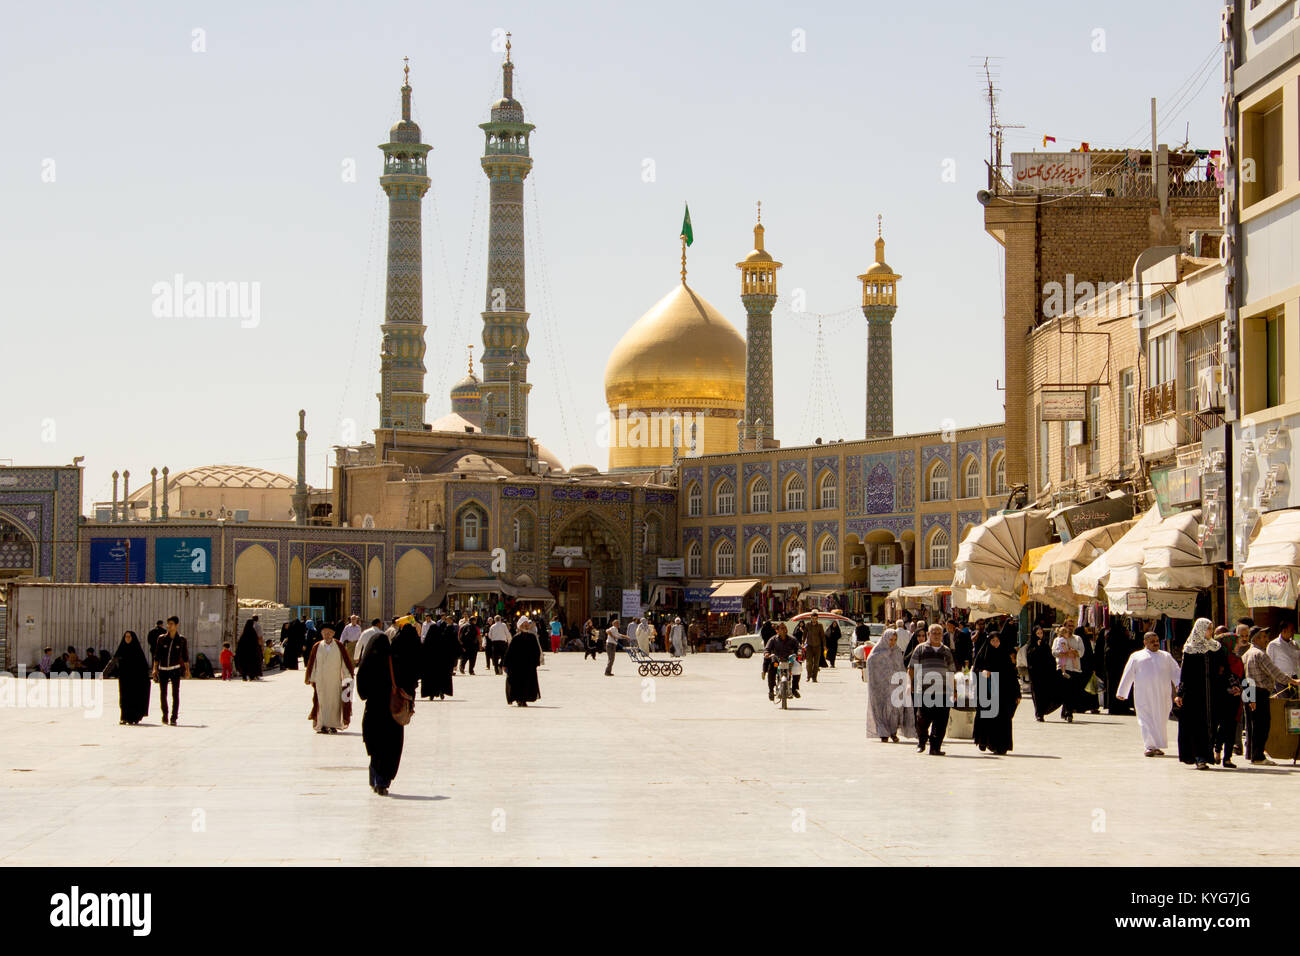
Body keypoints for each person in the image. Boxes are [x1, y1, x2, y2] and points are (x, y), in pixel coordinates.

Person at [356, 623, 416, 795]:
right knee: (389, 748)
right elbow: (408, 683)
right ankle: (383, 781)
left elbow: (362, 689)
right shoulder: (395, 660)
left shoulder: (369, 663)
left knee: (375, 747)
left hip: (373, 711)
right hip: (391, 712)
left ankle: (375, 778)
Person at [1115, 630, 1181, 757]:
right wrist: (1122, 691)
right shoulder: (1136, 656)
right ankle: (1149, 746)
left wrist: (1179, 687)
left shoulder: (1166, 656)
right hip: (1143, 695)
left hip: (1162, 695)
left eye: (1157, 641)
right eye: (1152, 642)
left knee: (1160, 720)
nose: (1155, 644)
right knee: (1145, 719)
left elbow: (1176, 672)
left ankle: (1156, 746)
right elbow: (1128, 673)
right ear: (1145, 642)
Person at [1242, 624, 1300, 765]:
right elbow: (1276, 673)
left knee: (1252, 724)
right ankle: (1258, 756)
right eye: (1263, 637)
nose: (1266, 639)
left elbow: (1245, 678)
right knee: (1262, 724)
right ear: (1255, 639)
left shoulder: (1247, 654)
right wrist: (1293, 681)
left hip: (1249, 690)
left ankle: (1252, 753)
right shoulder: (1260, 654)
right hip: (1259, 692)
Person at [1175, 618, 1226, 771]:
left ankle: (1210, 755)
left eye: (1211, 628)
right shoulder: (1190, 649)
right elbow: (1185, 674)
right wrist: (1180, 694)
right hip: (1194, 695)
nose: (1210, 632)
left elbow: (1224, 668)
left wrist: (1232, 684)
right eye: (1208, 629)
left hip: (1213, 693)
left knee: (1212, 725)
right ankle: (1199, 757)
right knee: (1196, 726)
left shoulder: (1216, 647)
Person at [908, 624, 956, 756]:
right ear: (928, 635)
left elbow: (951, 671)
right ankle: (922, 741)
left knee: (941, 721)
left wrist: (955, 690)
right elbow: (911, 668)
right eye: (933, 633)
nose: (936, 635)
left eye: (939, 633)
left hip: (944, 692)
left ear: (942, 635)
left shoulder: (946, 651)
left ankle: (935, 747)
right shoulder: (920, 649)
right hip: (924, 691)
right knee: (922, 719)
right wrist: (910, 684)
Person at [972, 627, 1020, 755]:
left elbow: (1012, 676)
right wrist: (982, 672)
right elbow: (975, 670)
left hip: (1004, 693)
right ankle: (985, 741)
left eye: (997, 641)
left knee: (1003, 719)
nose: (995, 643)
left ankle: (1001, 745)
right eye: (993, 641)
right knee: (987, 717)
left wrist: (1017, 694)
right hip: (986, 691)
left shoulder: (1005, 657)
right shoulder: (983, 655)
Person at [305, 624, 355, 734]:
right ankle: (322, 725)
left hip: (334, 680)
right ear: (321, 634)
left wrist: (347, 677)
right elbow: (313, 664)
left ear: (333, 634)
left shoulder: (339, 646)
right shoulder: (317, 646)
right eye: (324, 633)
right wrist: (311, 678)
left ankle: (333, 725)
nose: (327, 635)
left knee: (334, 703)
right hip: (321, 679)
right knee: (321, 702)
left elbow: (344, 663)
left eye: (329, 633)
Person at [865, 628, 910, 742]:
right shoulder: (877, 652)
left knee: (894, 710)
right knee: (880, 709)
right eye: (890, 639)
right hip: (879, 687)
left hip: (894, 686)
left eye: (895, 640)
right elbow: (870, 663)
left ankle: (893, 732)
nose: (892, 642)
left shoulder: (897, 652)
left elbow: (901, 667)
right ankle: (883, 733)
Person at [107, 630, 151, 725]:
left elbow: (144, 666)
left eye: (129, 637)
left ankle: (134, 717)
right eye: (126, 637)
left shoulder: (137, 650)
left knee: (134, 697)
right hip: (124, 678)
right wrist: (104, 673)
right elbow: (113, 661)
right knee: (124, 697)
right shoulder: (121, 649)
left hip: (135, 679)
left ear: (133, 638)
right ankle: (124, 717)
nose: (127, 638)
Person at [152, 616, 189, 727]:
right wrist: (155, 669)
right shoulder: (161, 638)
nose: (169, 626)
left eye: (171, 624)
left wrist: (187, 670)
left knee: (175, 694)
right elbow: (157, 655)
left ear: (176, 625)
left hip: (175, 670)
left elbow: (185, 656)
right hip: (163, 670)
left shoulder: (181, 640)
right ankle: (165, 715)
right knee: (163, 694)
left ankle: (174, 717)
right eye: (168, 624)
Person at [504, 617, 543, 706]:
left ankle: (524, 699)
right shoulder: (516, 638)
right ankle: (519, 699)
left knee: (527, 683)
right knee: (518, 683)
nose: (526, 626)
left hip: (529, 665)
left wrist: (536, 662)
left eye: (527, 624)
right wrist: (505, 664)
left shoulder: (532, 637)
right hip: (517, 666)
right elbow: (509, 652)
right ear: (520, 626)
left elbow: (536, 651)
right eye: (524, 624)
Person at [1051, 625, 1084, 722]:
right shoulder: (1058, 640)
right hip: (1062, 668)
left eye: (1071, 625)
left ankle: (1067, 711)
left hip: (1074, 668)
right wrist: (1064, 653)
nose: (1070, 628)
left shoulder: (1077, 639)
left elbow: (1082, 652)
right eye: (1068, 625)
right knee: (1065, 690)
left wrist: (1074, 652)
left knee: (1072, 691)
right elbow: (1054, 652)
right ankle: (1067, 711)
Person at [1104, 618, 1136, 715]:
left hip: (1111, 667)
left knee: (1112, 686)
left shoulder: (1109, 638)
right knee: (1122, 684)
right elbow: (1127, 650)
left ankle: (1113, 708)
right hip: (1121, 666)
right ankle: (1122, 707)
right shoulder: (1122, 639)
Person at [764, 622, 801, 701]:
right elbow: (767, 649)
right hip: (777, 660)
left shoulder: (792, 639)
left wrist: (799, 652)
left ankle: (794, 689)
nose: (784, 630)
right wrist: (767, 653)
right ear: (777, 631)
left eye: (785, 627)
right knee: (772, 669)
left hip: (789, 660)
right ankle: (771, 690)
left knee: (797, 668)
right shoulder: (773, 639)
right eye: (782, 628)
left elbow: (798, 647)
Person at [803, 613, 826, 683]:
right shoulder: (808, 625)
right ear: (811, 618)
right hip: (809, 646)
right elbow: (804, 634)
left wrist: (824, 645)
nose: (814, 620)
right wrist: (802, 642)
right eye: (813, 618)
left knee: (816, 663)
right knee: (809, 662)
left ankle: (814, 677)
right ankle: (808, 676)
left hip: (817, 646)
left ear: (817, 618)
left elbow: (822, 636)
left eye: (815, 618)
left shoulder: (820, 626)